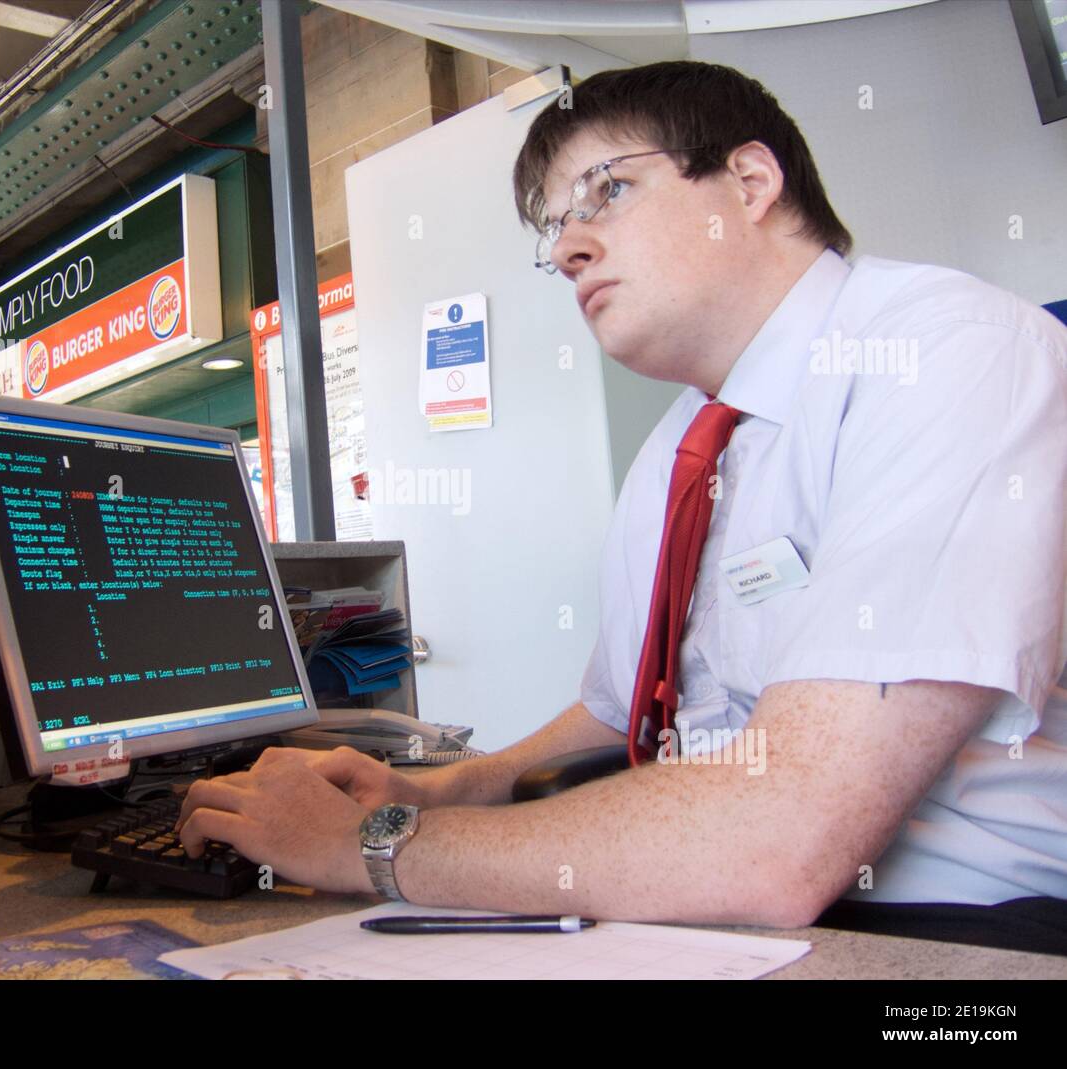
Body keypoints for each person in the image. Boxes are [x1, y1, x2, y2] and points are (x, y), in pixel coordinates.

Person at [174, 62, 1067, 951]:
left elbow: (784, 834)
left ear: (750, 183)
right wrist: (437, 790)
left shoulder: (948, 353)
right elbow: (618, 714)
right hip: (724, 913)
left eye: (606, 192)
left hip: (964, 937)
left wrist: (369, 845)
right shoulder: (679, 451)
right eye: (556, 227)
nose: (568, 248)